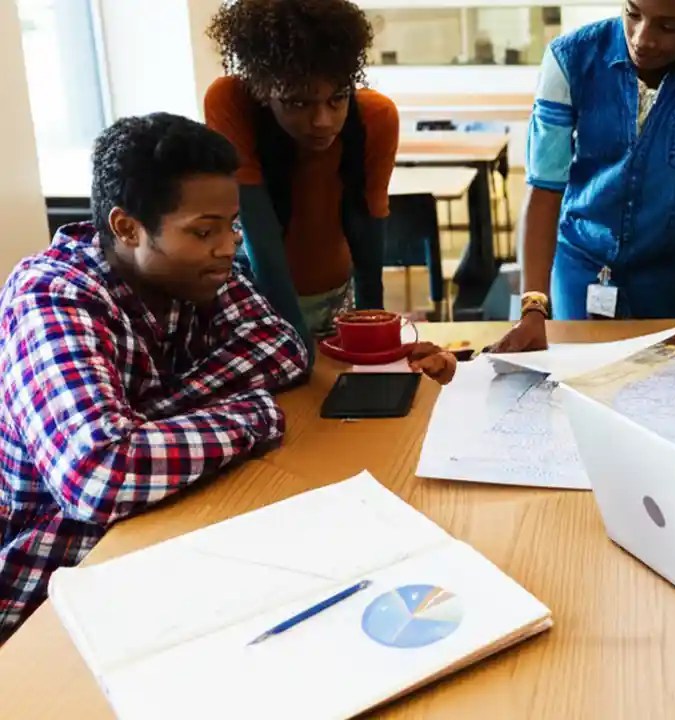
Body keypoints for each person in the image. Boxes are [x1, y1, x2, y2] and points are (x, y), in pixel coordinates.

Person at [0, 114, 310, 640]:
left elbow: (281, 350)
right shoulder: (52, 297)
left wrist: (149, 418)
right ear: (126, 227)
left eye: (230, 225)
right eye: (204, 230)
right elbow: (100, 474)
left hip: (149, 541)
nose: (229, 246)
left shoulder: (193, 270)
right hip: (44, 588)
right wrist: (253, 417)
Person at [490, 0, 675, 353]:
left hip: (672, 271)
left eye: (667, 27)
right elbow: (545, 188)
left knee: (667, 388)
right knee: (576, 379)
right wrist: (533, 309)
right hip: (581, 263)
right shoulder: (570, 57)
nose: (642, 38)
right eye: (633, 13)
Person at [205, 0, 398, 347]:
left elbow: (368, 235)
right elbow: (259, 233)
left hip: (336, 303)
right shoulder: (231, 101)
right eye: (297, 103)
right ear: (263, 92)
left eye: (337, 98)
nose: (323, 121)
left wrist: (375, 334)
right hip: (256, 301)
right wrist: (295, 342)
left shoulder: (377, 116)